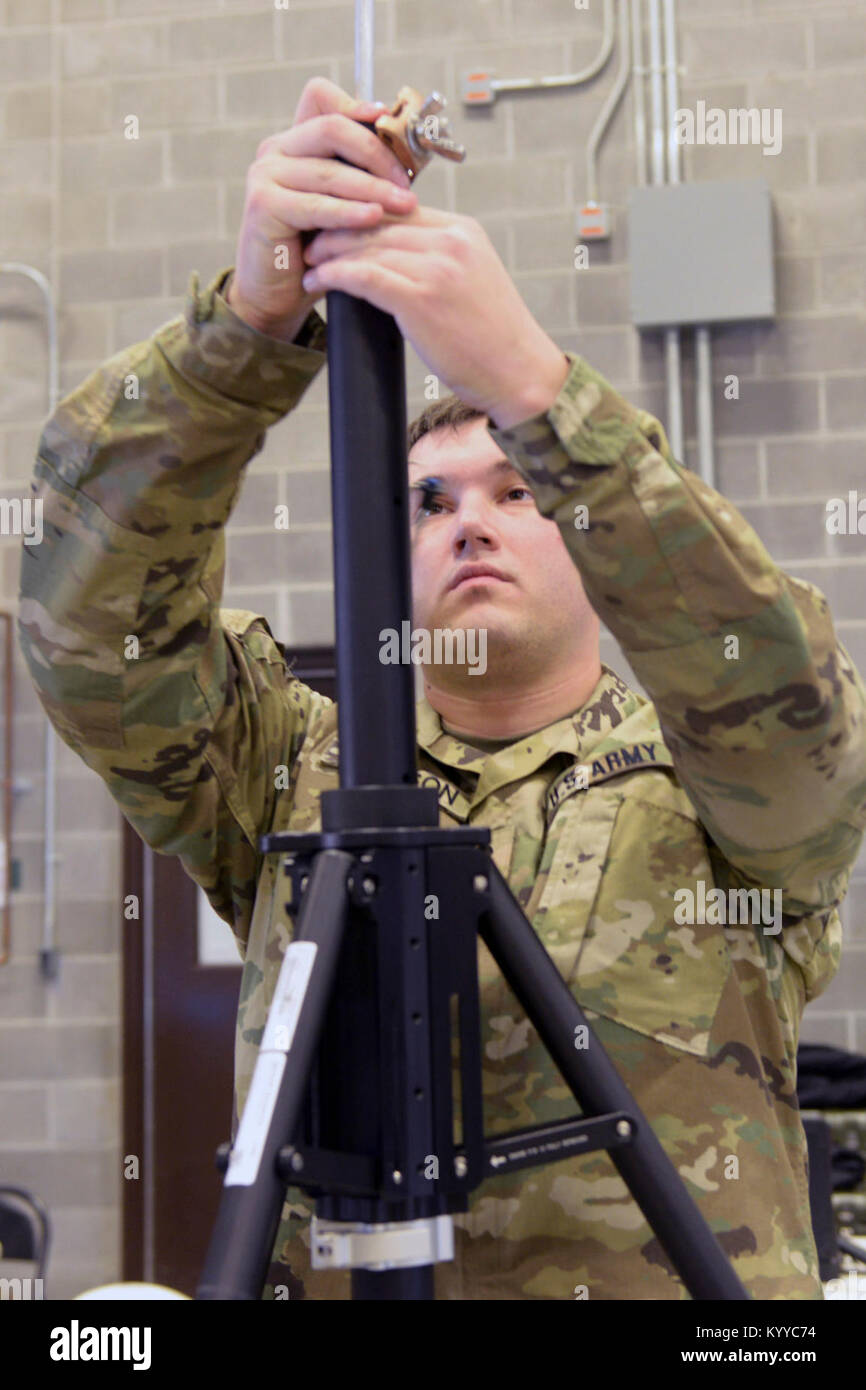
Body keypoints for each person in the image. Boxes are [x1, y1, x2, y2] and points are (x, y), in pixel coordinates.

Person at [18, 76, 866, 1301]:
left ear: (585, 534)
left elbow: (798, 715)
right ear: (384, 554)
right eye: (428, 500)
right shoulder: (288, 773)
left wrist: (537, 390)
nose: (471, 521)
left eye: (515, 491)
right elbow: (83, 621)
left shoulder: (713, 791)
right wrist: (244, 331)